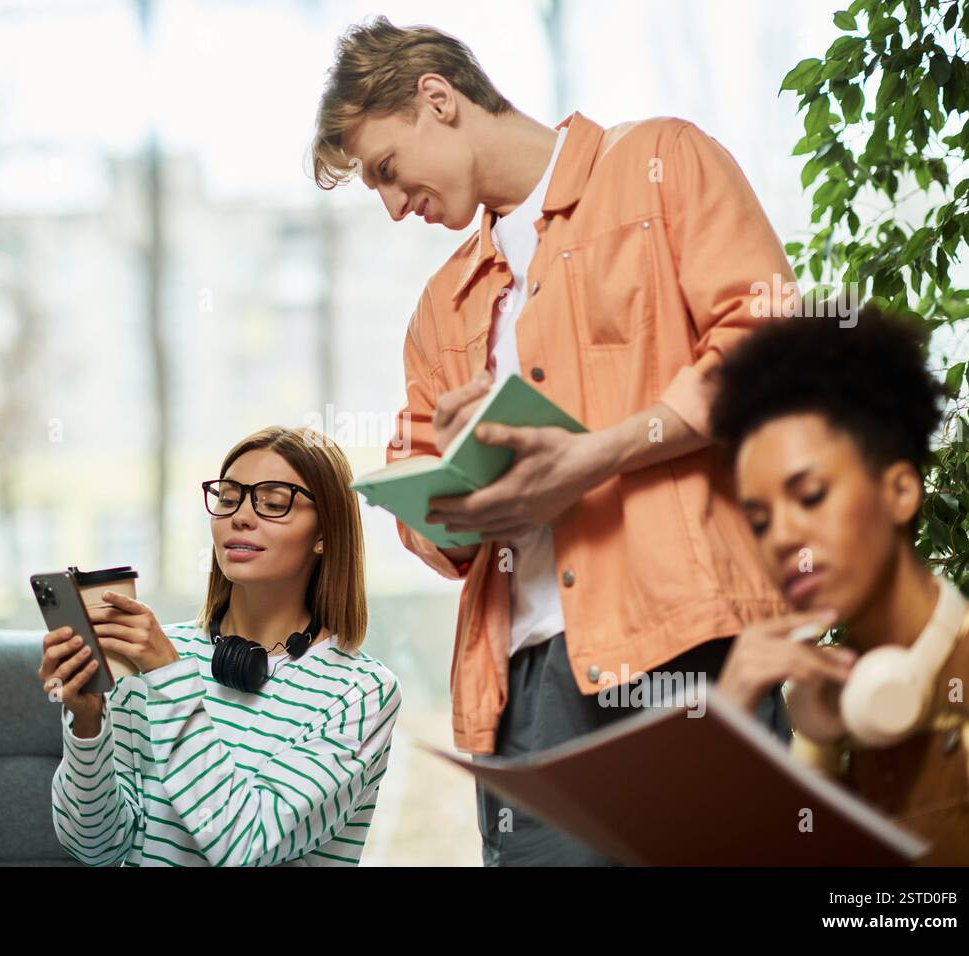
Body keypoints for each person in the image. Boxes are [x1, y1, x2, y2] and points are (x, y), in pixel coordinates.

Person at [310, 16, 792, 865]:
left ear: (438, 100)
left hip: (689, 649)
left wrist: (597, 453)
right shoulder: (442, 308)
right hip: (525, 693)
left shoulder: (662, 165)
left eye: (387, 170)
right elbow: (417, 513)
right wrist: (455, 489)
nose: (392, 208)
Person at [712, 305, 969, 865]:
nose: (781, 537)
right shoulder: (832, 711)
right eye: (759, 520)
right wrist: (734, 721)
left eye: (811, 495)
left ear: (899, 491)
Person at [40, 426, 401, 866]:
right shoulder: (153, 655)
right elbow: (95, 845)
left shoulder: (362, 691)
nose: (240, 517)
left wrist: (169, 679)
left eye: (273, 501)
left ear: (325, 532)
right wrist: (87, 723)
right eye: (228, 498)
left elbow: (247, 844)